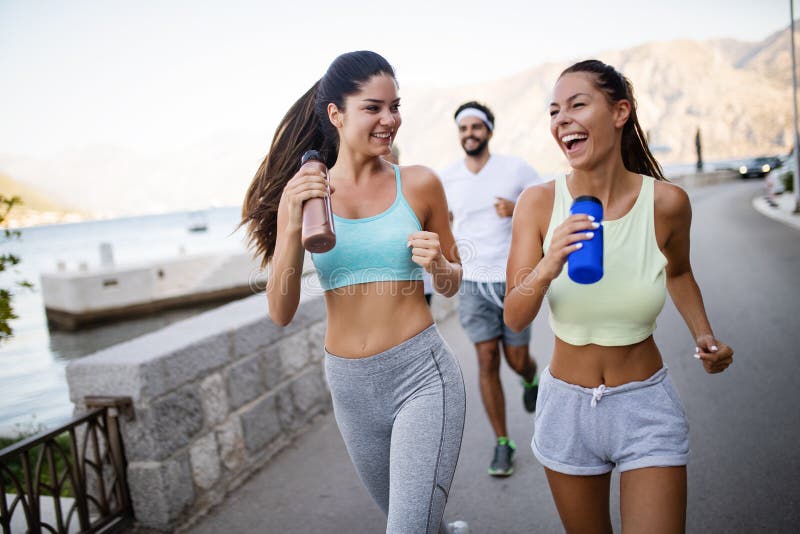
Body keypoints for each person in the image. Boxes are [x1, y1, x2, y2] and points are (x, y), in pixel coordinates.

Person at [241, 51, 467, 534]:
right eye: (374, 108)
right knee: (412, 520)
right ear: (336, 114)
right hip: (350, 388)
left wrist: (440, 264)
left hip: (422, 378)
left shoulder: (421, 184)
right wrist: (286, 226)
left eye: (395, 106)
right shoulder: (305, 196)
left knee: (406, 528)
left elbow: (452, 281)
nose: (390, 120)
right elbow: (280, 311)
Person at [504, 59, 734, 533]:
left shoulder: (667, 203)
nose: (561, 119)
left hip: (645, 405)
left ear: (619, 112)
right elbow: (514, 316)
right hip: (566, 409)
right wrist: (550, 262)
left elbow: (680, 272)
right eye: (553, 111)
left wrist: (705, 334)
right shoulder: (538, 203)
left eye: (577, 105)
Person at [440, 101, 542, 477]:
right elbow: (439, 222)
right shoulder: (446, 178)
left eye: (476, 127)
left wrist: (516, 207)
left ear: (489, 131)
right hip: (471, 282)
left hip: (513, 279)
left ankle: (529, 377)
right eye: (463, 128)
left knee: (516, 359)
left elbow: (546, 206)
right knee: (486, 360)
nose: (469, 134)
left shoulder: (515, 169)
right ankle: (503, 443)